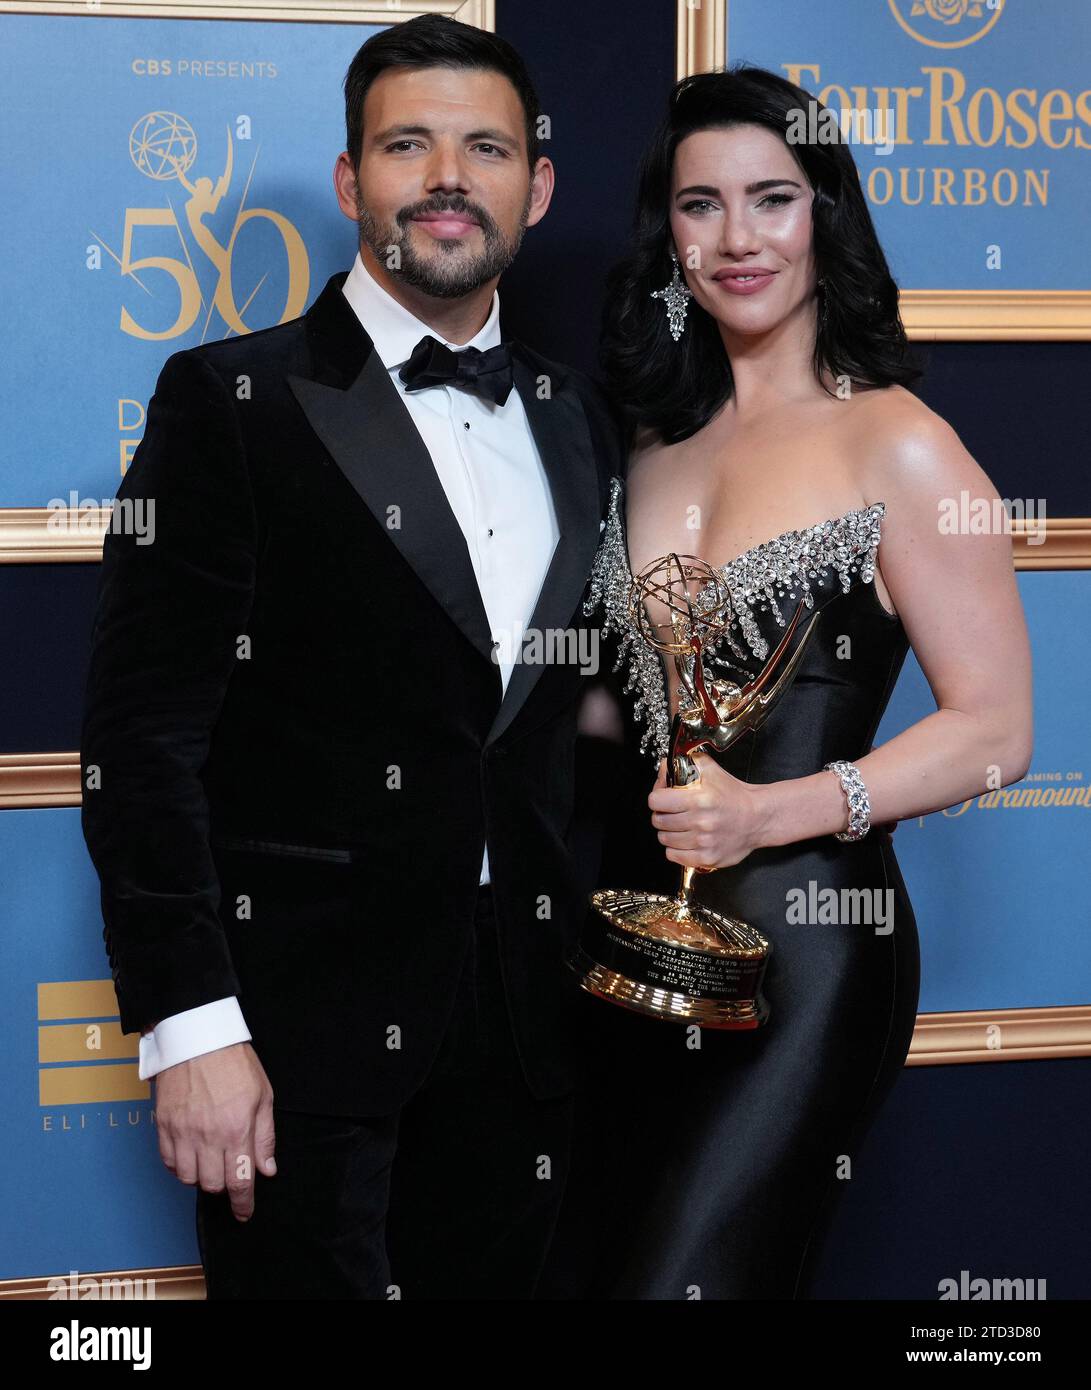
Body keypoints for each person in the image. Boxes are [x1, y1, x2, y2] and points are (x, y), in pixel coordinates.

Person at [80, 14, 621, 1300]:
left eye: (485, 146)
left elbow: (559, 723)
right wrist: (191, 1025)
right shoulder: (229, 401)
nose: (447, 176)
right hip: (294, 1033)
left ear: (533, 188)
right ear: (350, 182)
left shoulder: (571, 412)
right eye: (406, 144)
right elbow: (140, 740)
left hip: (526, 1022)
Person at [566, 66, 1033, 1300]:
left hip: (809, 957)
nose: (735, 239)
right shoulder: (651, 438)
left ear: (825, 212)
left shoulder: (899, 440)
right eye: (699, 204)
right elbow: (626, 700)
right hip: (624, 954)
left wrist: (769, 812)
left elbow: (998, 731)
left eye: (771, 199)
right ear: (664, 231)